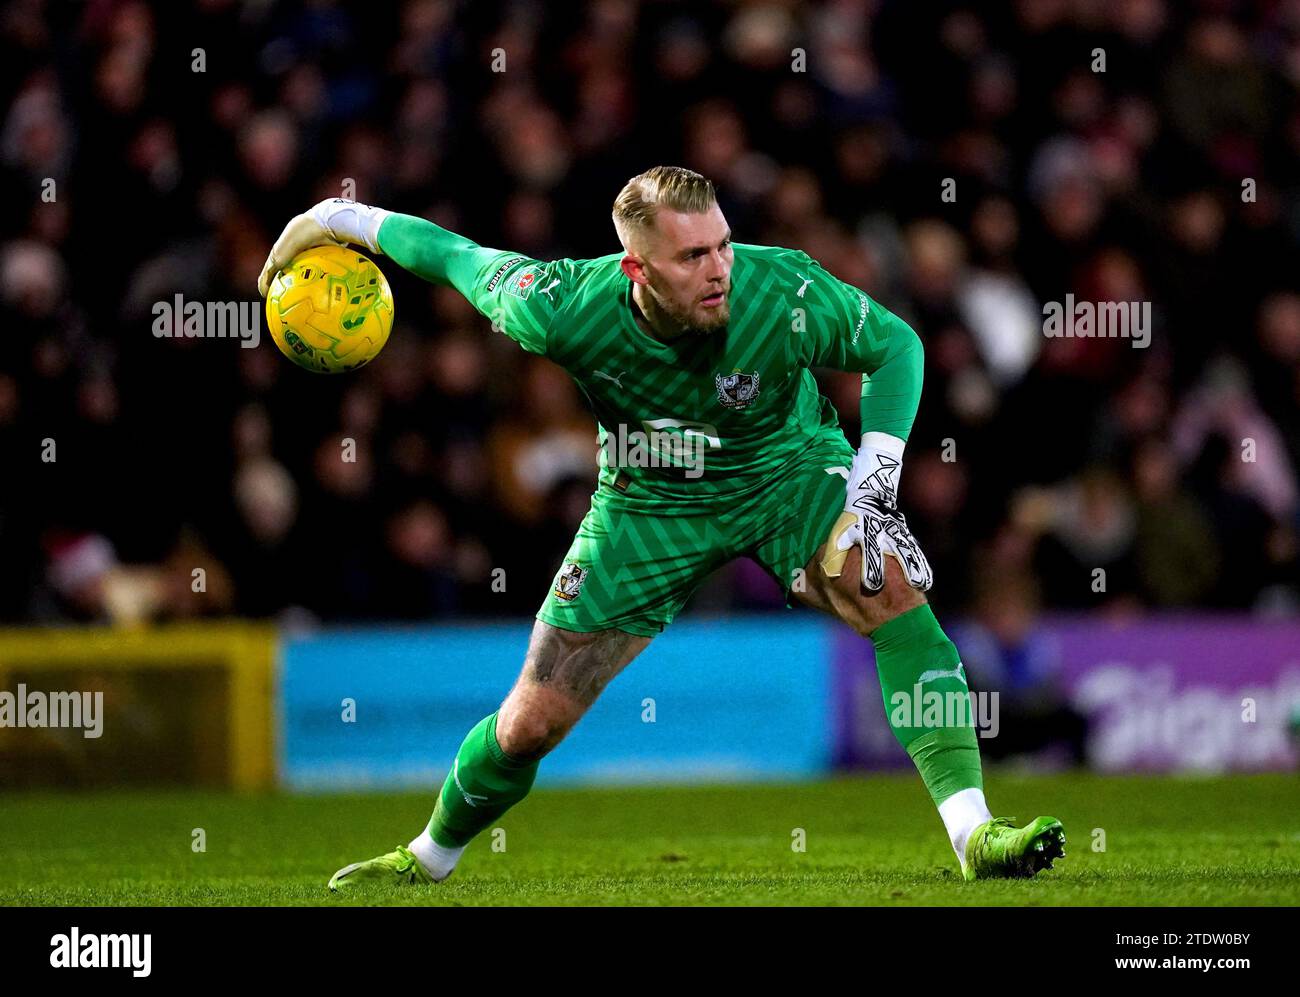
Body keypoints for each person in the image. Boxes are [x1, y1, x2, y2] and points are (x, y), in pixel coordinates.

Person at [258, 166, 1064, 886]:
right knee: (530, 723)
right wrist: (335, 218)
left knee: (881, 585)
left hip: (784, 471)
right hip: (648, 503)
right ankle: (427, 858)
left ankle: (975, 834)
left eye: (722, 245)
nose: (719, 270)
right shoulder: (564, 306)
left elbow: (898, 348)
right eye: (693, 258)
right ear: (636, 268)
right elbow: (451, 256)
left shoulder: (779, 289)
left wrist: (874, 488)